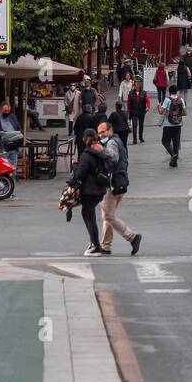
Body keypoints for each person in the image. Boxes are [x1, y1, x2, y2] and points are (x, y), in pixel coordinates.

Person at [96, 120, 141, 256]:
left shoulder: (111, 142)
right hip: (119, 182)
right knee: (107, 215)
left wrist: (100, 150)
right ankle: (105, 246)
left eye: (103, 132)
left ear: (110, 130)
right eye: (99, 133)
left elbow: (113, 158)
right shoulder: (117, 140)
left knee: (108, 215)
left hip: (112, 184)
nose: (101, 135)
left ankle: (132, 237)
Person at [68, 128, 110, 256]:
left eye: (83, 137)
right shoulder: (101, 151)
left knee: (89, 217)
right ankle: (94, 243)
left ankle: (95, 245)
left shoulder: (87, 154)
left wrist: (75, 165)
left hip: (89, 190)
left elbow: (80, 174)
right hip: (100, 189)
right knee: (87, 214)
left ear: (86, 139)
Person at [0, 101, 23, 178]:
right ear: (1, 109)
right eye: (5, 111)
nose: (7, 113)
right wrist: (1, 138)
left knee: (13, 170)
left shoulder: (12, 117)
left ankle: (11, 187)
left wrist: (18, 136)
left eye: (8, 111)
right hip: (3, 149)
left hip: (13, 148)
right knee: (4, 170)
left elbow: (18, 127)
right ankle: (4, 186)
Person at [158, 83, 186, 166]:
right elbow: (185, 113)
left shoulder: (167, 100)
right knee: (176, 142)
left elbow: (161, 112)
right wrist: (178, 114)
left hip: (168, 124)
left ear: (169, 92)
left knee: (165, 141)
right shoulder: (181, 100)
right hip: (178, 124)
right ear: (176, 91)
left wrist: (158, 106)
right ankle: (174, 162)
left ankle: (172, 154)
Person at [126, 78, 148, 144]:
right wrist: (129, 110)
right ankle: (134, 139)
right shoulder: (131, 93)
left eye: (137, 85)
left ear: (139, 86)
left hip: (141, 111)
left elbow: (148, 101)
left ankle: (141, 137)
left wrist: (148, 107)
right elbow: (129, 103)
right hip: (134, 111)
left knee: (141, 125)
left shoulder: (144, 92)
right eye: (135, 85)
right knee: (134, 125)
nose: (136, 86)